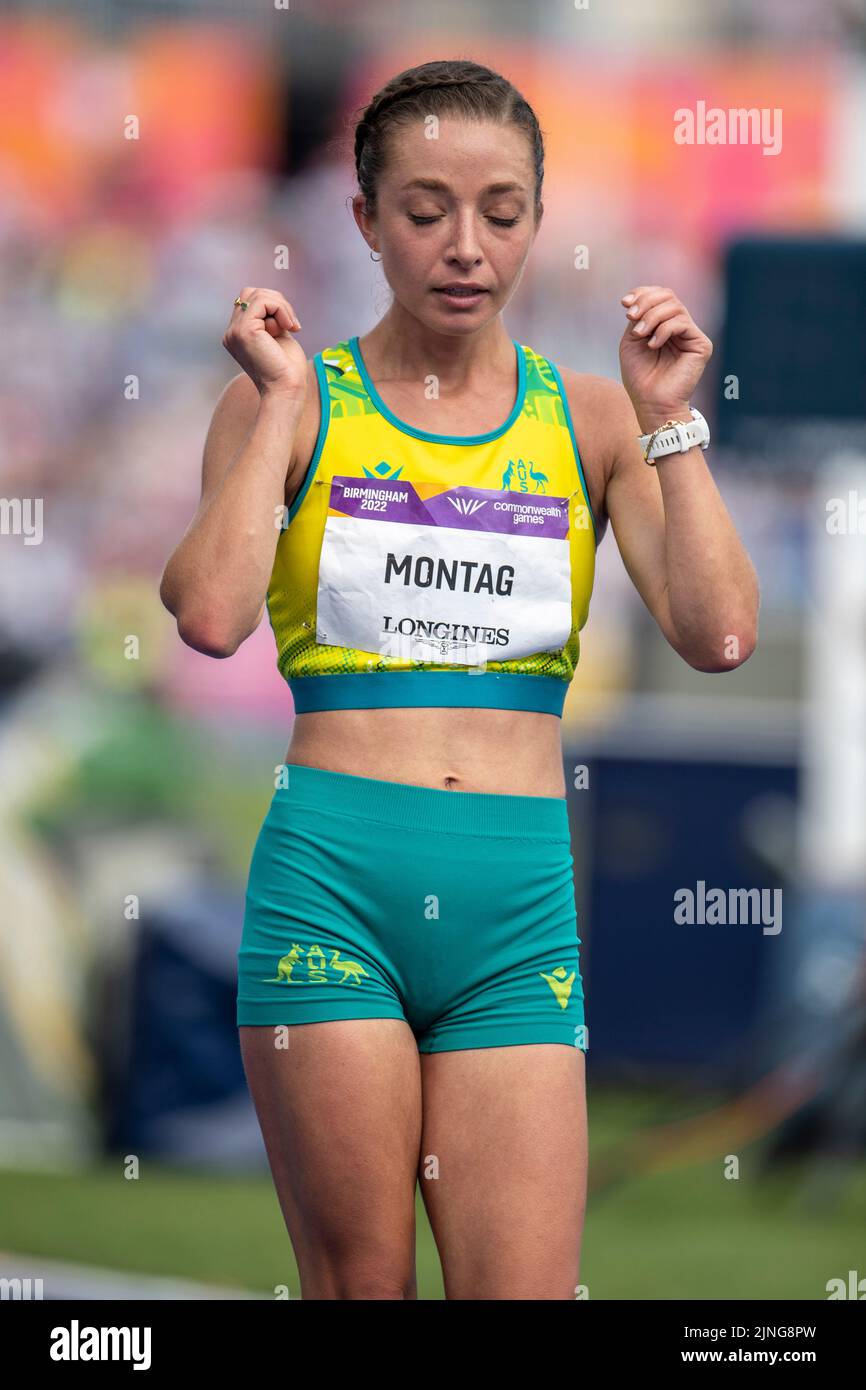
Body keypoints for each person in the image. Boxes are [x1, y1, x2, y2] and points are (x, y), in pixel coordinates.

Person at [159, 58, 759, 1300]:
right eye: (424, 210)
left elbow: (719, 637)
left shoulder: (590, 419)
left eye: (500, 210)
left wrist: (670, 421)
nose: (464, 245)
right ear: (367, 220)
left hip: (515, 909)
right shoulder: (291, 403)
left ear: (538, 220)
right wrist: (273, 412)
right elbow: (210, 617)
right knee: (361, 1285)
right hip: (334, 889)